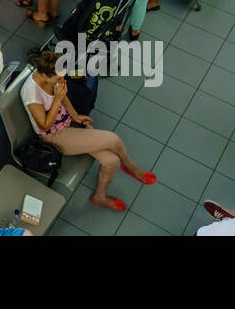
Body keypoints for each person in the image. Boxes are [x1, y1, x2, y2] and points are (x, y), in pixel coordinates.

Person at [24, 48, 156, 211]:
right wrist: (57, 100)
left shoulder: (55, 77)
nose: (62, 80)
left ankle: (100, 196)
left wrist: (75, 116)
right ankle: (130, 166)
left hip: (68, 123)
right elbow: (44, 125)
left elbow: (62, 94)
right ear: (45, 76)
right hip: (54, 136)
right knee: (113, 139)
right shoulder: (31, 93)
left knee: (111, 161)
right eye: (58, 77)